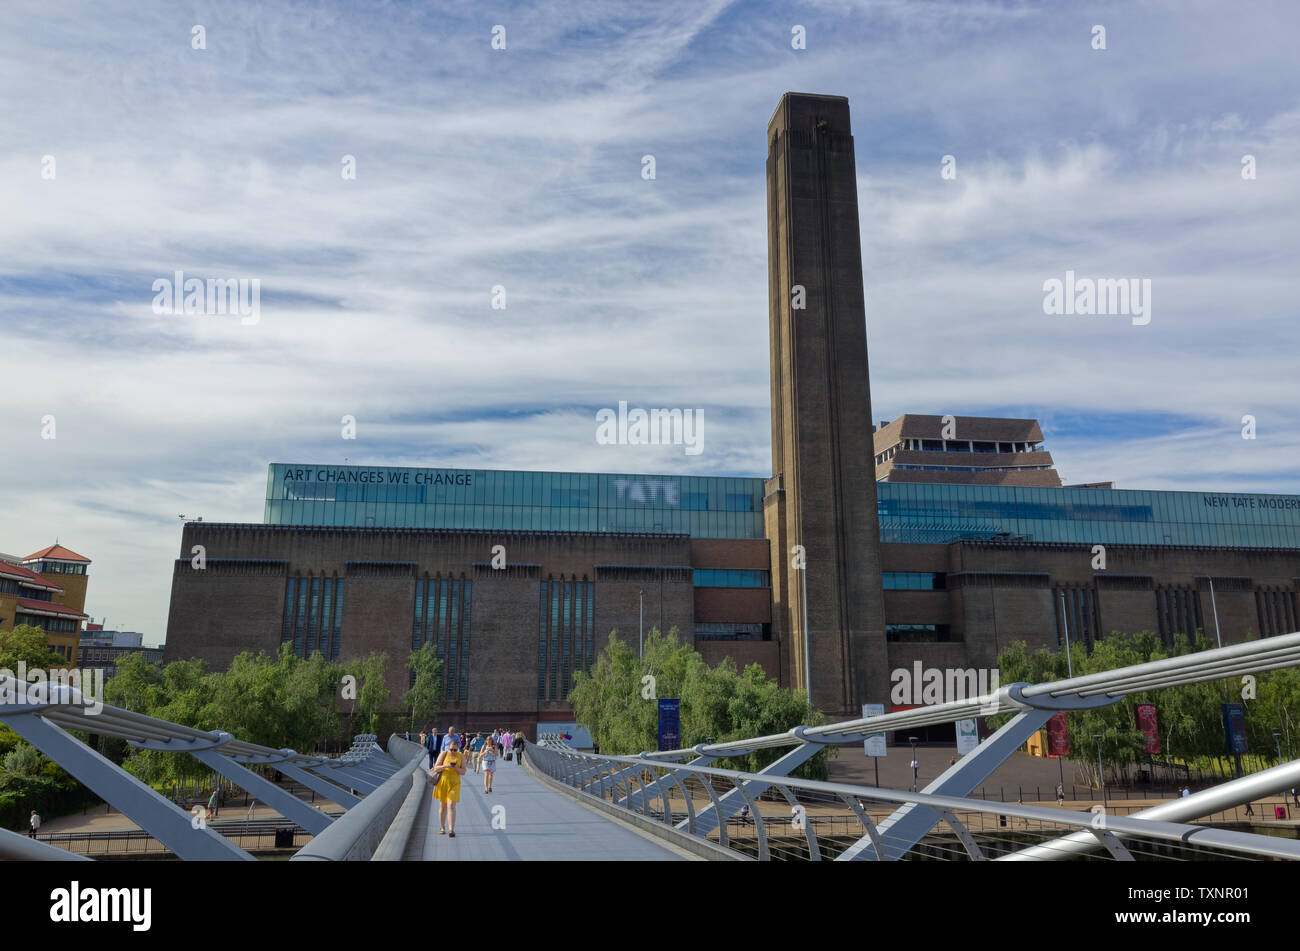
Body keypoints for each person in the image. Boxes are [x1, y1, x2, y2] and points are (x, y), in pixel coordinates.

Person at [431, 738, 468, 836]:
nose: (453, 752)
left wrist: (456, 768)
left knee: (451, 805)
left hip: (455, 783)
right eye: (451, 749)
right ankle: (442, 827)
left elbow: (464, 771)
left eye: (455, 750)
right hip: (443, 782)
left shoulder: (461, 756)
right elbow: (436, 768)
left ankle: (451, 829)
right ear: (448, 748)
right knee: (443, 806)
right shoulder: (444, 754)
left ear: (458, 749)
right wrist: (446, 766)